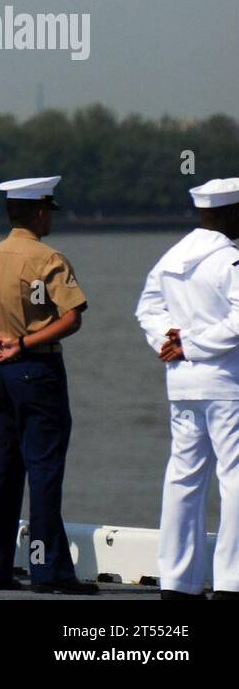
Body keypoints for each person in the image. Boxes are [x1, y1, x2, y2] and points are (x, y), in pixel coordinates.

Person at [0, 176, 95, 593]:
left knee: (0, 469)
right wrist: (22, 343)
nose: (50, 219)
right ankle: (47, 569)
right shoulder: (48, 258)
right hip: (37, 370)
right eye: (48, 212)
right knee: (43, 471)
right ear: (39, 212)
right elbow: (71, 318)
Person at [134, 177, 239, 600]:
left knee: (183, 479)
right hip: (227, 384)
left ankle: (178, 583)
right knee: (235, 479)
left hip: (181, 384)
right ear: (230, 212)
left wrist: (170, 341)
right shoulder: (230, 260)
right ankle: (232, 580)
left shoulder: (172, 256)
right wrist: (192, 343)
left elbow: (147, 308)